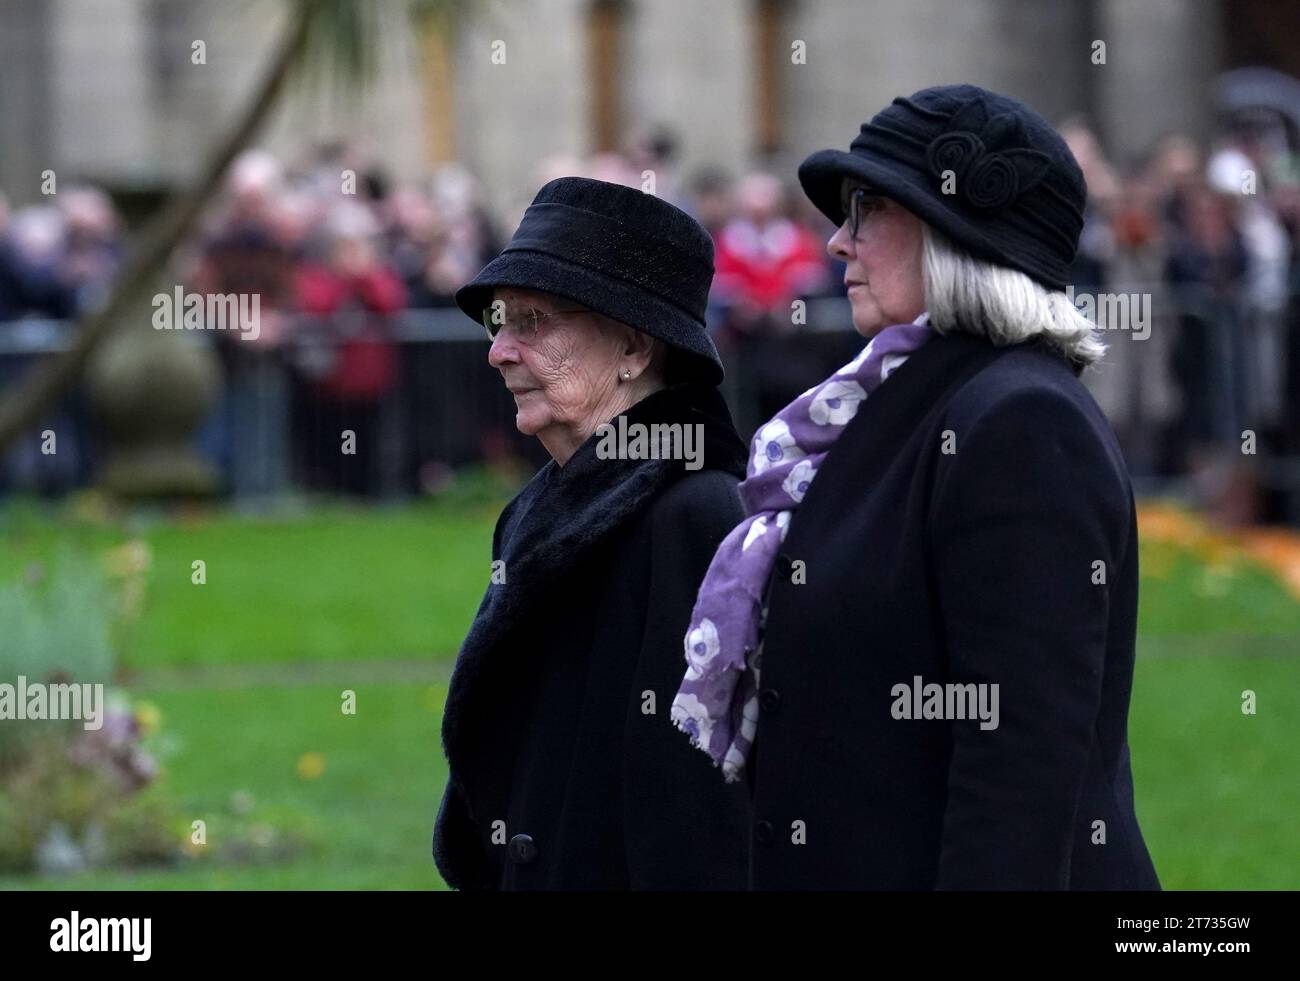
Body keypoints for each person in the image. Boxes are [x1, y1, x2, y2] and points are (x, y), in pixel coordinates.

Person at [671, 84, 1161, 890]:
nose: (837, 242)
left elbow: (1017, 771)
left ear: (951, 234)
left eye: (866, 209)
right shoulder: (900, 401)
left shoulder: (1020, 420)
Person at [433, 177, 752, 889]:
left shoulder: (693, 511)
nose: (500, 352)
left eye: (533, 322)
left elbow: (698, 800)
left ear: (634, 346)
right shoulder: (541, 508)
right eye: (499, 322)